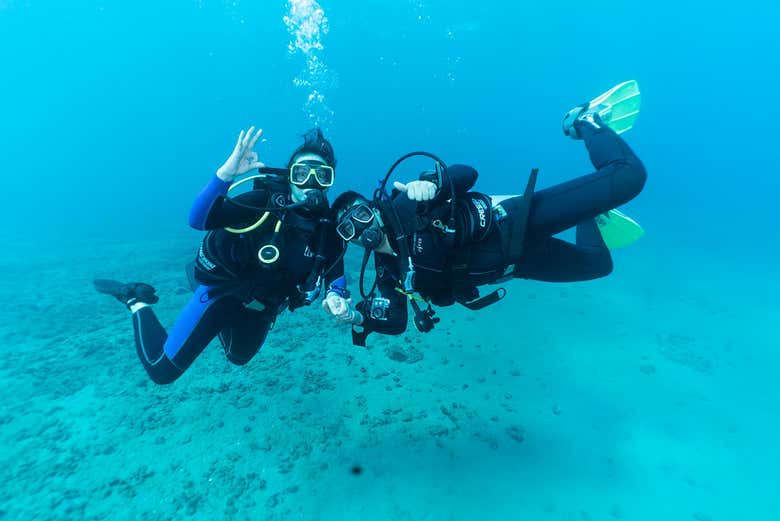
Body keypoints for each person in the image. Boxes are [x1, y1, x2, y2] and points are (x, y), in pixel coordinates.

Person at [323, 83, 647, 346]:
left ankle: (586, 120)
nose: (360, 229)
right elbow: (396, 322)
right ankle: (594, 215)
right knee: (599, 264)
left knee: (629, 177)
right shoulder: (387, 274)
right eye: (348, 229)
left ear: (374, 208)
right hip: (519, 263)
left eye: (361, 215)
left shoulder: (408, 205)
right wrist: (356, 318)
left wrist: (433, 184)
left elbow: (467, 173)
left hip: (518, 219)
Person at [95, 127, 346, 383]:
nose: (311, 183)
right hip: (223, 293)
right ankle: (135, 299)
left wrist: (336, 295)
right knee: (162, 372)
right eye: (302, 173)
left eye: (322, 176)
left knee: (238, 357)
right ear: (290, 177)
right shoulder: (264, 202)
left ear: (330, 181)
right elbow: (198, 219)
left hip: (263, 307)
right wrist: (225, 175)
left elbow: (335, 272)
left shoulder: (329, 229)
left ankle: (213, 318)